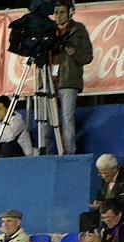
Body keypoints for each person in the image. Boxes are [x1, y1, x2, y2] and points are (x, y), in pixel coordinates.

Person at [50, 1, 94, 157]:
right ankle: (49, 154)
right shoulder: (49, 30)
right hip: (48, 80)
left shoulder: (78, 29)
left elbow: (88, 56)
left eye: (61, 12)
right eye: (55, 12)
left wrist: (73, 52)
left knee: (66, 118)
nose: (57, 15)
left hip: (68, 80)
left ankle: (68, 154)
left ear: (70, 12)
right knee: (48, 120)